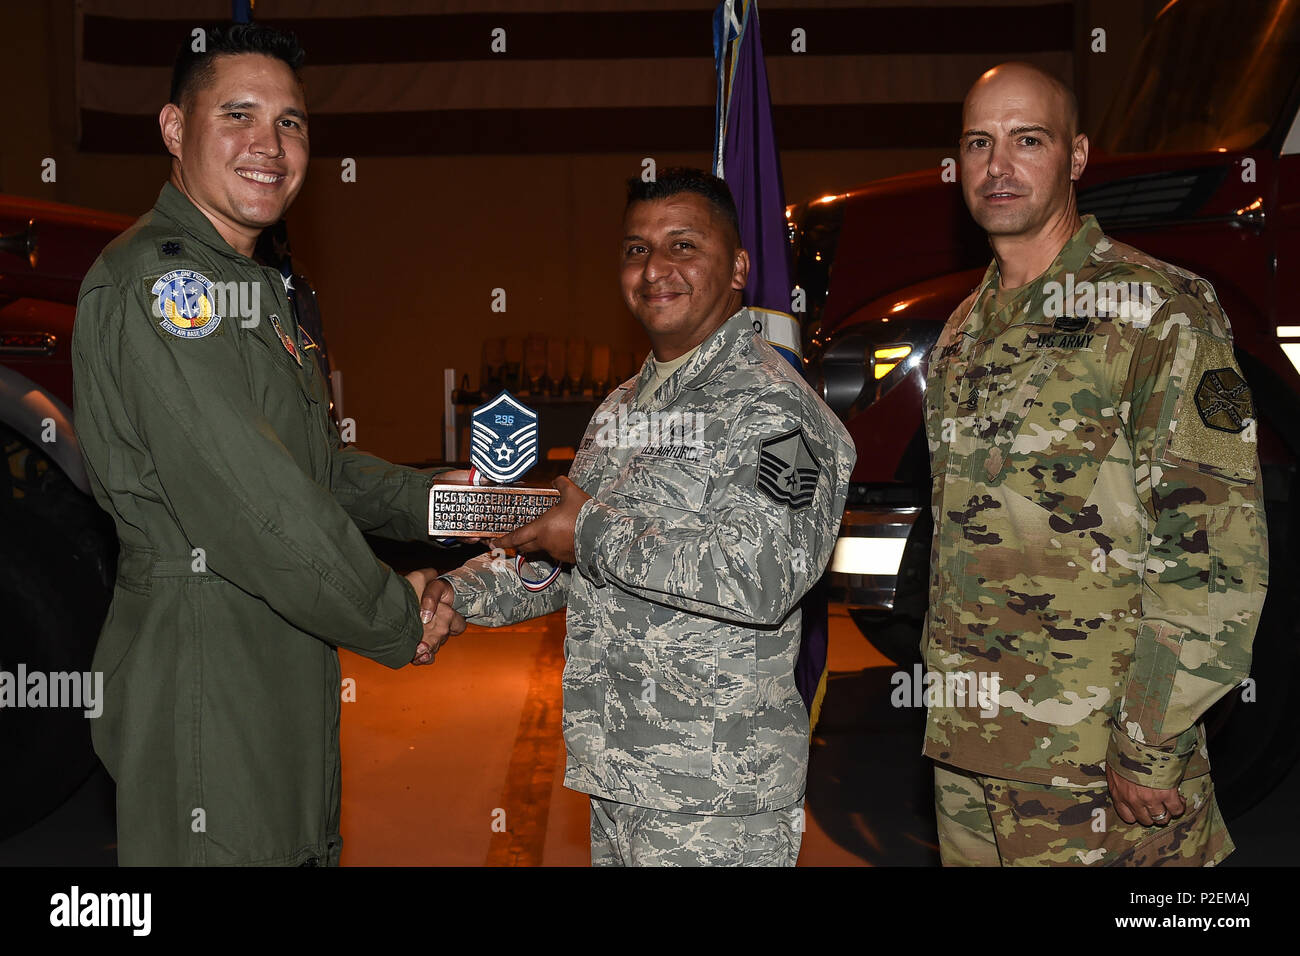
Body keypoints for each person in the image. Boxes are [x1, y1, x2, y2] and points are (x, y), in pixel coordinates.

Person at [71, 23, 456, 866]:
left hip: (274, 646)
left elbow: (311, 467)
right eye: (238, 115)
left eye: (292, 122)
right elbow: (255, 502)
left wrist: (462, 503)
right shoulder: (169, 285)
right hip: (206, 664)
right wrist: (397, 617)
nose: (269, 146)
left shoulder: (248, 283)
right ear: (175, 130)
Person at [411, 168, 855, 866]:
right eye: (636, 249)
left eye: (683, 246)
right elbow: (567, 558)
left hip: (716, 802)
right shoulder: (623, 408)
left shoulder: (777, 411)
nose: (655, 269)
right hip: (621, 777)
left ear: (738, 266)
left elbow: (762, 575)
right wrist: (458, 593)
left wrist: (588, 529)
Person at [922, 62, 1267, 865]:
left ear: (1076, 157)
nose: (997, 166)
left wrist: (1152, 733)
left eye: (1027, 140)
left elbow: (1214, 547)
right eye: (979, 143)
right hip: (970, 755)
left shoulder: (1156, 310)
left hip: (1100, 766)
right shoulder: (963, 330)